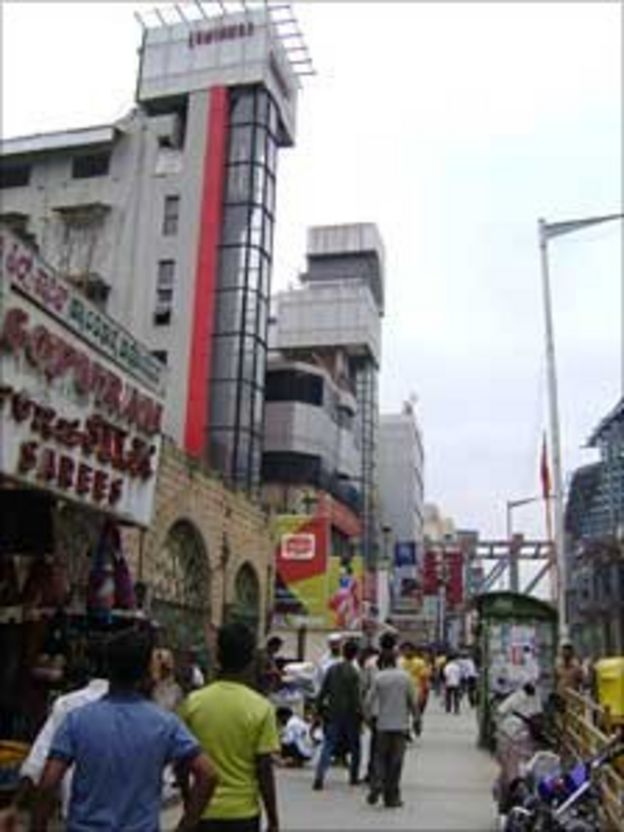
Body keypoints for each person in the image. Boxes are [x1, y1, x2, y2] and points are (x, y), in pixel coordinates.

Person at [32, 627, 217, 832]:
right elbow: (208, 774)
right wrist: (186, 826)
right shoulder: (165, 724)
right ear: (147, 672)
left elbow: (48, 783)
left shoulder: (77, 719)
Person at [178, 622, 281, 832]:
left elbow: (181, 761)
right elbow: (264, 769)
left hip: (202, 811)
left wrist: (188, 798)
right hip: (243, 814)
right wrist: (273, 819)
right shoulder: (261, 708)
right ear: (251, 660)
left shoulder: (193, 703)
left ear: (217, 656)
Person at [16, 638, 110, 821]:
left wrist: (17, 806)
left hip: (80, 817)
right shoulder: (154, 718)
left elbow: (39, 762)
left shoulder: (68, 705)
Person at [366, 633, 418, 809]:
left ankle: (377, 784)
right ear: (396, 661)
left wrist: (367, 719)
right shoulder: (405, 677)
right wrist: (417, 720)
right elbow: (413, 702)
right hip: (400, 727)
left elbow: (368, 701)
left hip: (382, 725)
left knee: (379, 758)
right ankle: (392, 797)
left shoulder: (379, 677)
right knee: (396, 763)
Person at [313, 639, 362, 791]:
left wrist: (317, 708)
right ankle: (353, 777)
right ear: (355, 655)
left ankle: (319, 777)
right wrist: (361, 714)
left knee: (328, 744)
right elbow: (356, 697)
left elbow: (322, 691)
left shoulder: (332, 669)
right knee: (355, 747)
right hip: (350, 715)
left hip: (332, 712)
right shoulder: (354, 672)